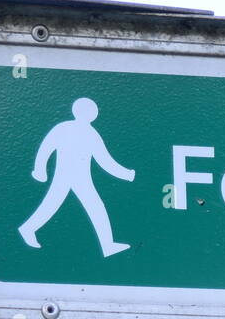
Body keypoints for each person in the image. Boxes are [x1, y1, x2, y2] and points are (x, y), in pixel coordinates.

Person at [18, 97, 136, 258]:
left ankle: (108, 245)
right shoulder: (65, 128)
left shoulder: (90, 133)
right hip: (66, 175)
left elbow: (105, 160)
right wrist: (39, 170)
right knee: (56, 205)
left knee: (92, 206)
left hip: (81, 178)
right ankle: (27, 229)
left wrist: (126, 174)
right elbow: (46, 148)